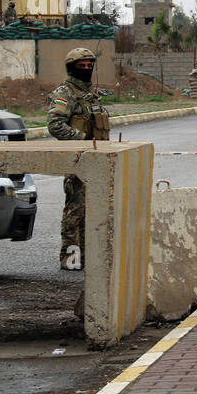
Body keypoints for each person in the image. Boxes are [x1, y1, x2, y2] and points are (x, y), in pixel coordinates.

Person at [47, 47, 110, 269]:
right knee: (75, 212)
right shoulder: (65, 93)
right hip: (79, 161)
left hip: (98, 161)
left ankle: (87, 257)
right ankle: (71, 258)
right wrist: (81, 140)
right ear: (71, 68)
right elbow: (55, 125)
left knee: (94, 212)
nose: (86, 69)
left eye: (89, 65)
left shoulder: (90, 94)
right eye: (81, 66)